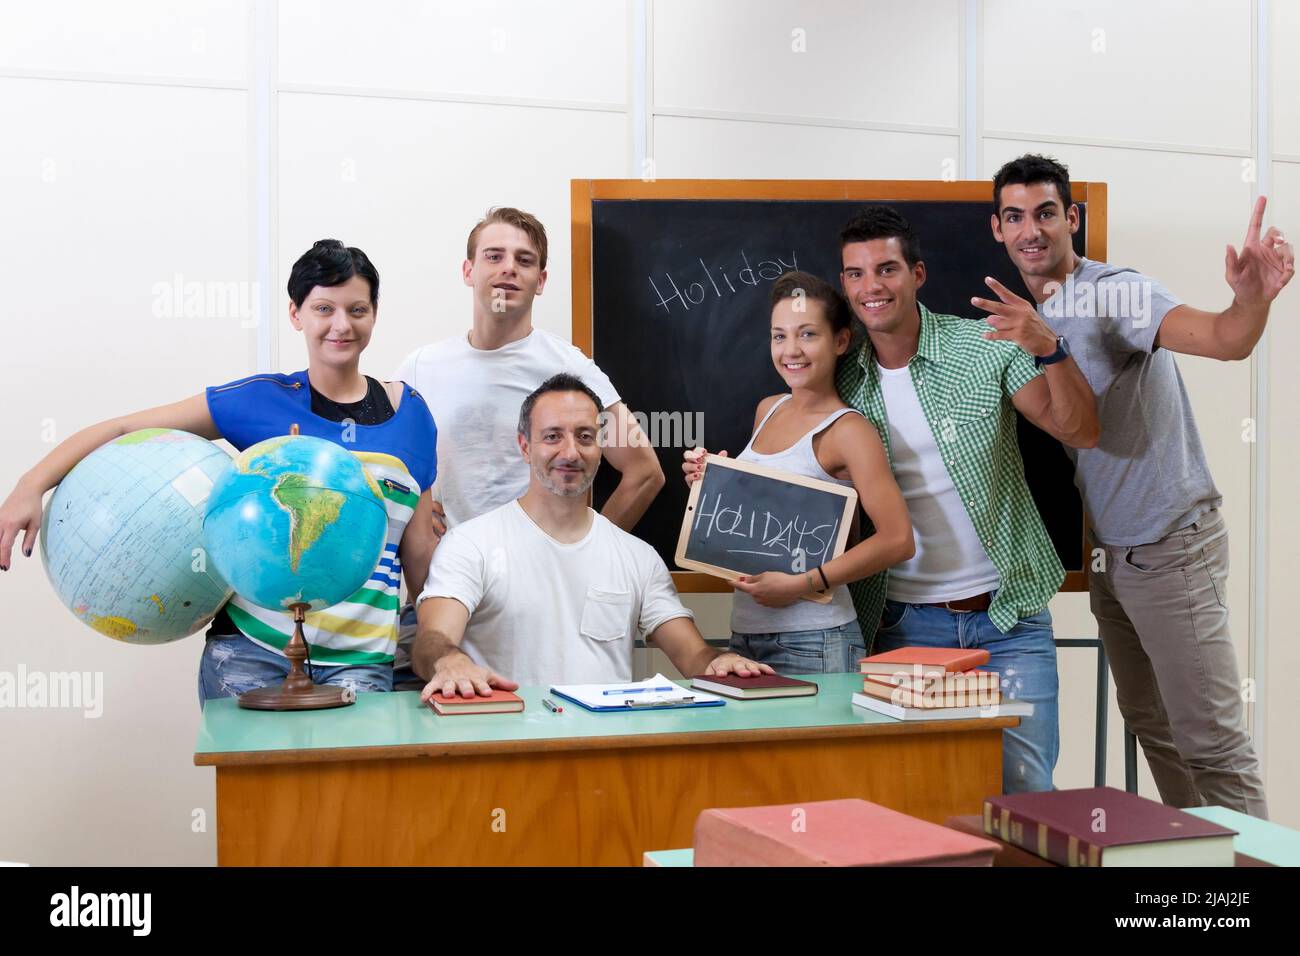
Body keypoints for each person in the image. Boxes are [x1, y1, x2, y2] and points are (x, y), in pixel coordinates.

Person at [0, 240, 439, 703]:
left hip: (362, 661)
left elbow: (420, 552)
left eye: (357, 309)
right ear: (296, 314)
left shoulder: (410, 416)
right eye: (323, 308)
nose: (341, 325)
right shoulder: (260, 400)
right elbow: (125, 427)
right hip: (251, 653)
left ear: (374, 313)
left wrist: (434, 648)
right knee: (253, 780)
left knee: (351, 781)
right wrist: (30, 484)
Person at [989, 154, 1294, 816]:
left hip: (1171, 546)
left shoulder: (1114, 293)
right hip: (1110, 554)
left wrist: (1250, 302)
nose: (1031, 230)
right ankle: (1208, 867)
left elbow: (1221, 338)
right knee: (1155, 729)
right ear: (998, 229)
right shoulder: (1014, 318)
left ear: (1071, 218)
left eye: (1045, 212)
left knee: (1211, 743)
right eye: (1015, 216)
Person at [834, 206, 1100, 793]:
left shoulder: (982, 347)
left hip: (1008, 619)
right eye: (855, 274)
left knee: (1028, 798)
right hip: (901, 626)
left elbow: (1078, 430)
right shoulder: (838, 378)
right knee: (916, 802)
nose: (871, 287)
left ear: (918, 274)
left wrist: (1051, 348)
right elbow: (790, 456)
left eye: (886, 269)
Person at [391, 207, 664, 682]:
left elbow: (644, 471)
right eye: (493, 256)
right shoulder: (420, 367)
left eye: (524, 260)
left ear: (541, 280)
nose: (508, 269)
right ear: (468, 270)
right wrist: (421, 509)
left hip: (531, 601)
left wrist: (582, 555)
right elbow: (394, 471)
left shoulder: (571, 368)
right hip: (444, 591)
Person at [412, 373, 770, 698]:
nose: (570, 452)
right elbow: (432, 640)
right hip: (508, 751)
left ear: (601, 448)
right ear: (525, 446)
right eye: (553, 436)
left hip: (605, 753)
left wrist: (720, 662)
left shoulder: (637, 557)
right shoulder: (472, 544)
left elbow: (694, 655)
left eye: (585, 437)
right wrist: (448, 661)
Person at [679, 271, 914, 673]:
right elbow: (763, 515)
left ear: (840, 341)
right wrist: (712, 481)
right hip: (743, 636)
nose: (791, 350)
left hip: (816, 640)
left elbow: (898, 540)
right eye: (779, 335)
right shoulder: (767, 409)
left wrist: (803, 583)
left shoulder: (849, 431)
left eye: (807, 334)